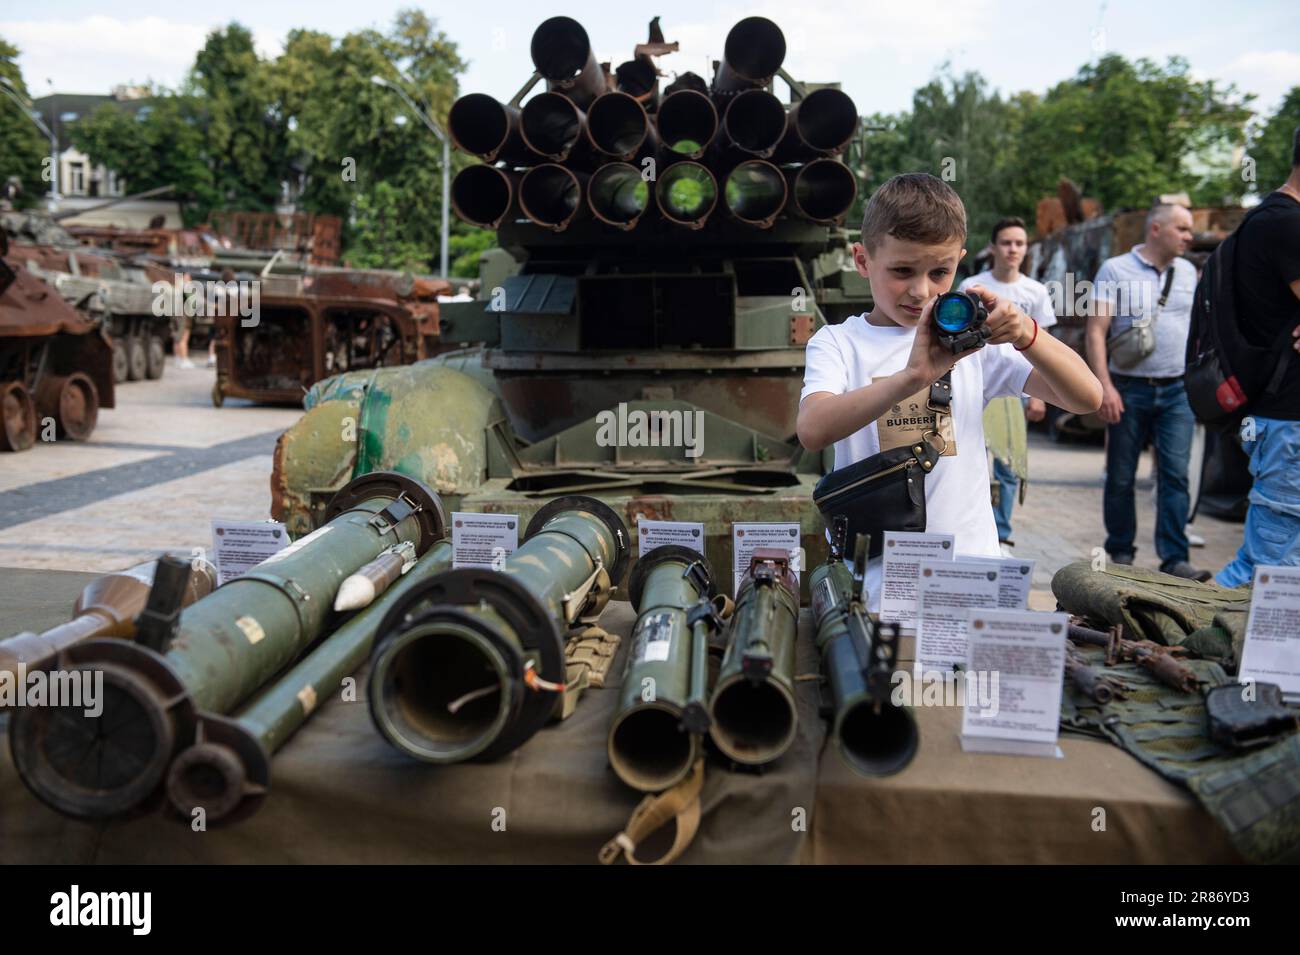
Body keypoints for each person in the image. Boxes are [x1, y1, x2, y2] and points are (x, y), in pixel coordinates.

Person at [798, 173, 1102, 609]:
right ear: (862, 260)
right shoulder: (839, 342)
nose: (921, 291)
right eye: (902, 271)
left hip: (970, 571)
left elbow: (1086, 397)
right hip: (877, 583)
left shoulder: (975, 346)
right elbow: (812, 429)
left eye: (940, 272)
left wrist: (1028, 334)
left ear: (960, 261)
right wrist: (911, 378)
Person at [1086, 202, 1210, 581]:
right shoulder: (1115, 269)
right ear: (1156, 228)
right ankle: (1120, 552)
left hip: (1177, 391)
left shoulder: (1188, 271)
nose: (1190, 236)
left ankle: (1175, 558)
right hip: (1127, 388)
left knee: (1175, 475)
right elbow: (1095, 331)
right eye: (1183, 228)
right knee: (1121, 474)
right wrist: (1104, 386)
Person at [1216, 127, 1300, 586]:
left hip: (1281, 423)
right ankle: (1191, 644)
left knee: (1268, 565)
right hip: (1289, 423)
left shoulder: (1269, 219)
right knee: (1271, 570)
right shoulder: (1286, 223)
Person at [959, 216, 1058, 550]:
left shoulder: (1035, 291)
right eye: (1006, 242)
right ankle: (970, 524)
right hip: (975, 382)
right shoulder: (972, 285)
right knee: (969, 456)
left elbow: (1045, 342)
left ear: (1026, 249)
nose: (1012, 249)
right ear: (993, 247)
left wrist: (1039, 396)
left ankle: (1000, 531)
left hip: (1017, 385)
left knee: (1008, 462)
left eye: (1019, 243)